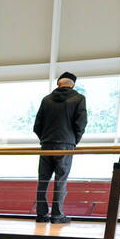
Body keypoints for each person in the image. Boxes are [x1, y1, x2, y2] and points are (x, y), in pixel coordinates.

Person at [33, 71, 86, 224]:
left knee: (43, 181)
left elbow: (37, 126)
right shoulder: (79, 99)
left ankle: (41, 216)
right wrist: (72, 141)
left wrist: (45, 139)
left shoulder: (46, 100)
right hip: (65, 146)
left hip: (46, 145)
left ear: (58, 84)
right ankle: (57, 216)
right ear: (73, 85)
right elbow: (81, 124)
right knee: (60, 181)